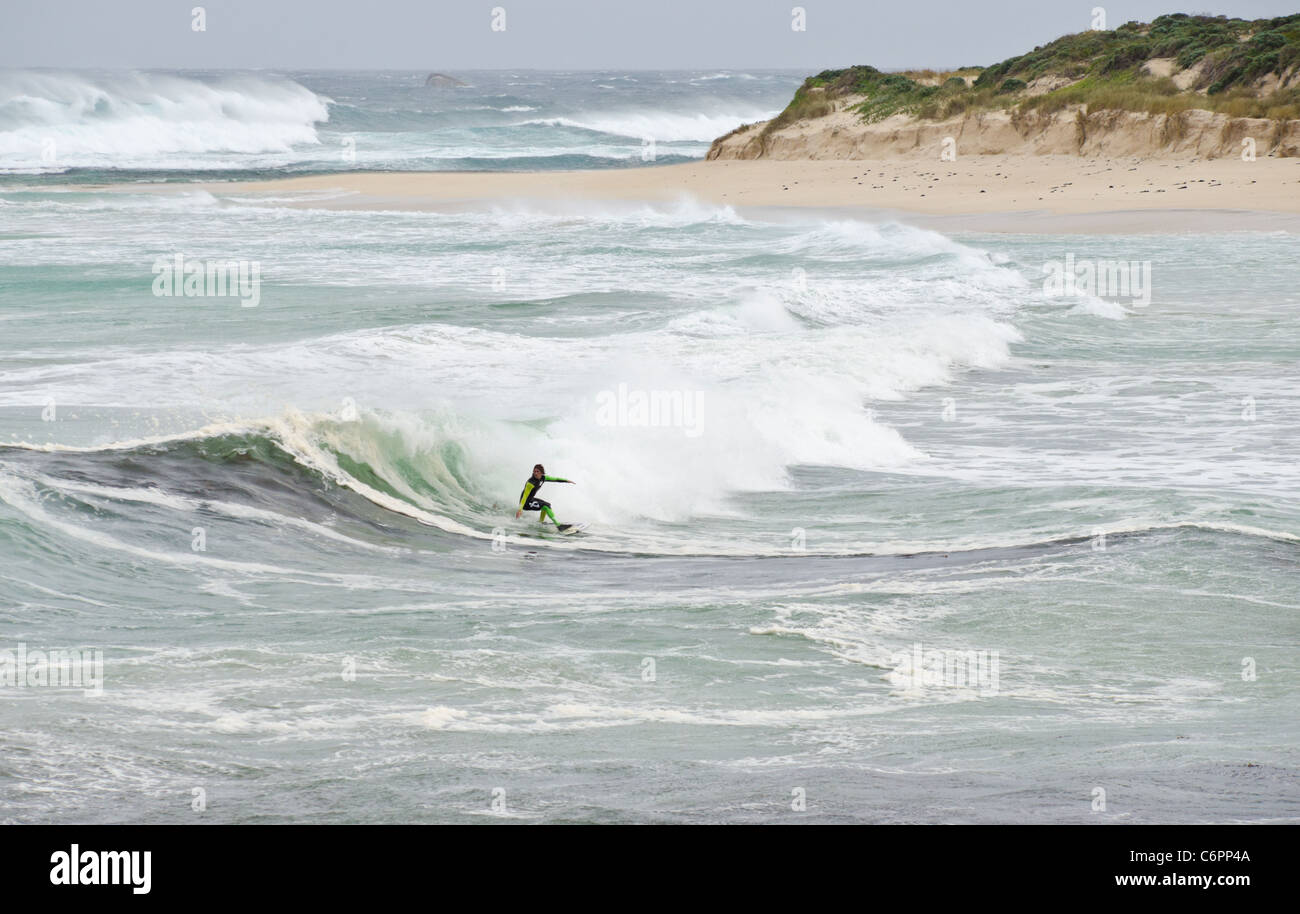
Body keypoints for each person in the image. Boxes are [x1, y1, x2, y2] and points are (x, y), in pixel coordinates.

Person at [516, 464, 575, 530]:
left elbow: (555, 479)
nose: (535, 473)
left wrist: (567, 481)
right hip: (525, 503)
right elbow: (525, 496)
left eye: (537, 471)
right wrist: (520, 509)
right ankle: (559, 526)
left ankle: (540, 522)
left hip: (530, 499)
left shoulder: (543, 478)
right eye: (534, 471)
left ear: (541, 473)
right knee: (545, 506)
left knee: (547, 505)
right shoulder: (531, 483)